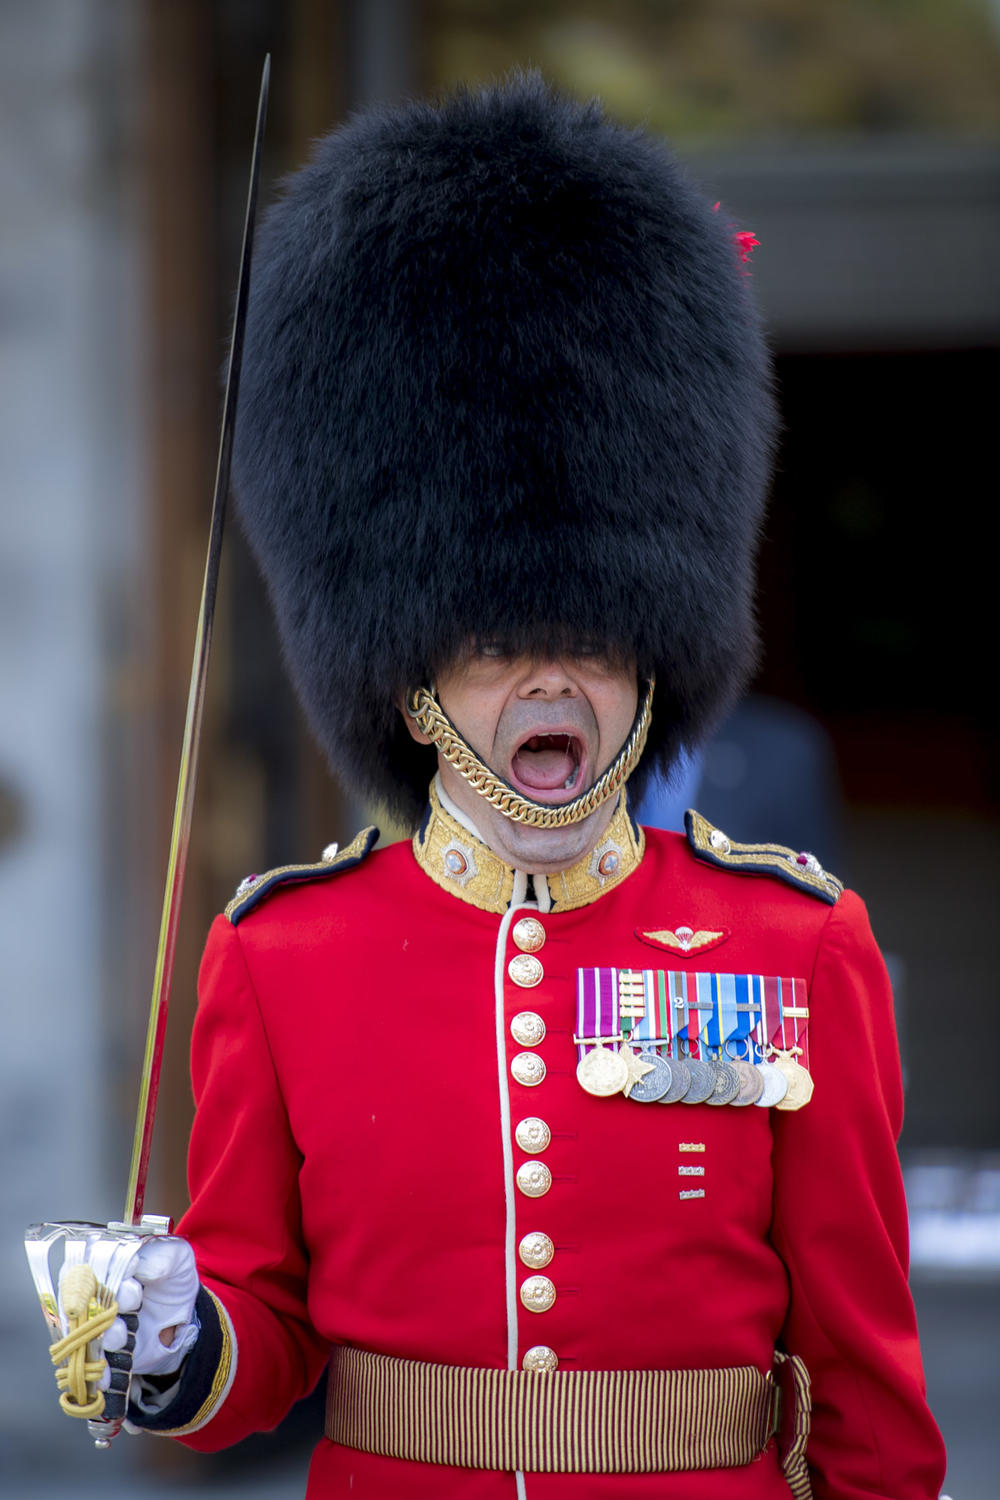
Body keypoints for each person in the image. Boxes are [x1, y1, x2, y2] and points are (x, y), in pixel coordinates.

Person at [63, 75, 947, 1498]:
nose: (551, 686)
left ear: (654, 658)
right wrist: (180, 1340)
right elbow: (264, 1345)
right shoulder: (281, 956)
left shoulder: (796, 946)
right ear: (411, 679)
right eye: (491, 647)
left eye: (593, 641)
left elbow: (863, 1377)